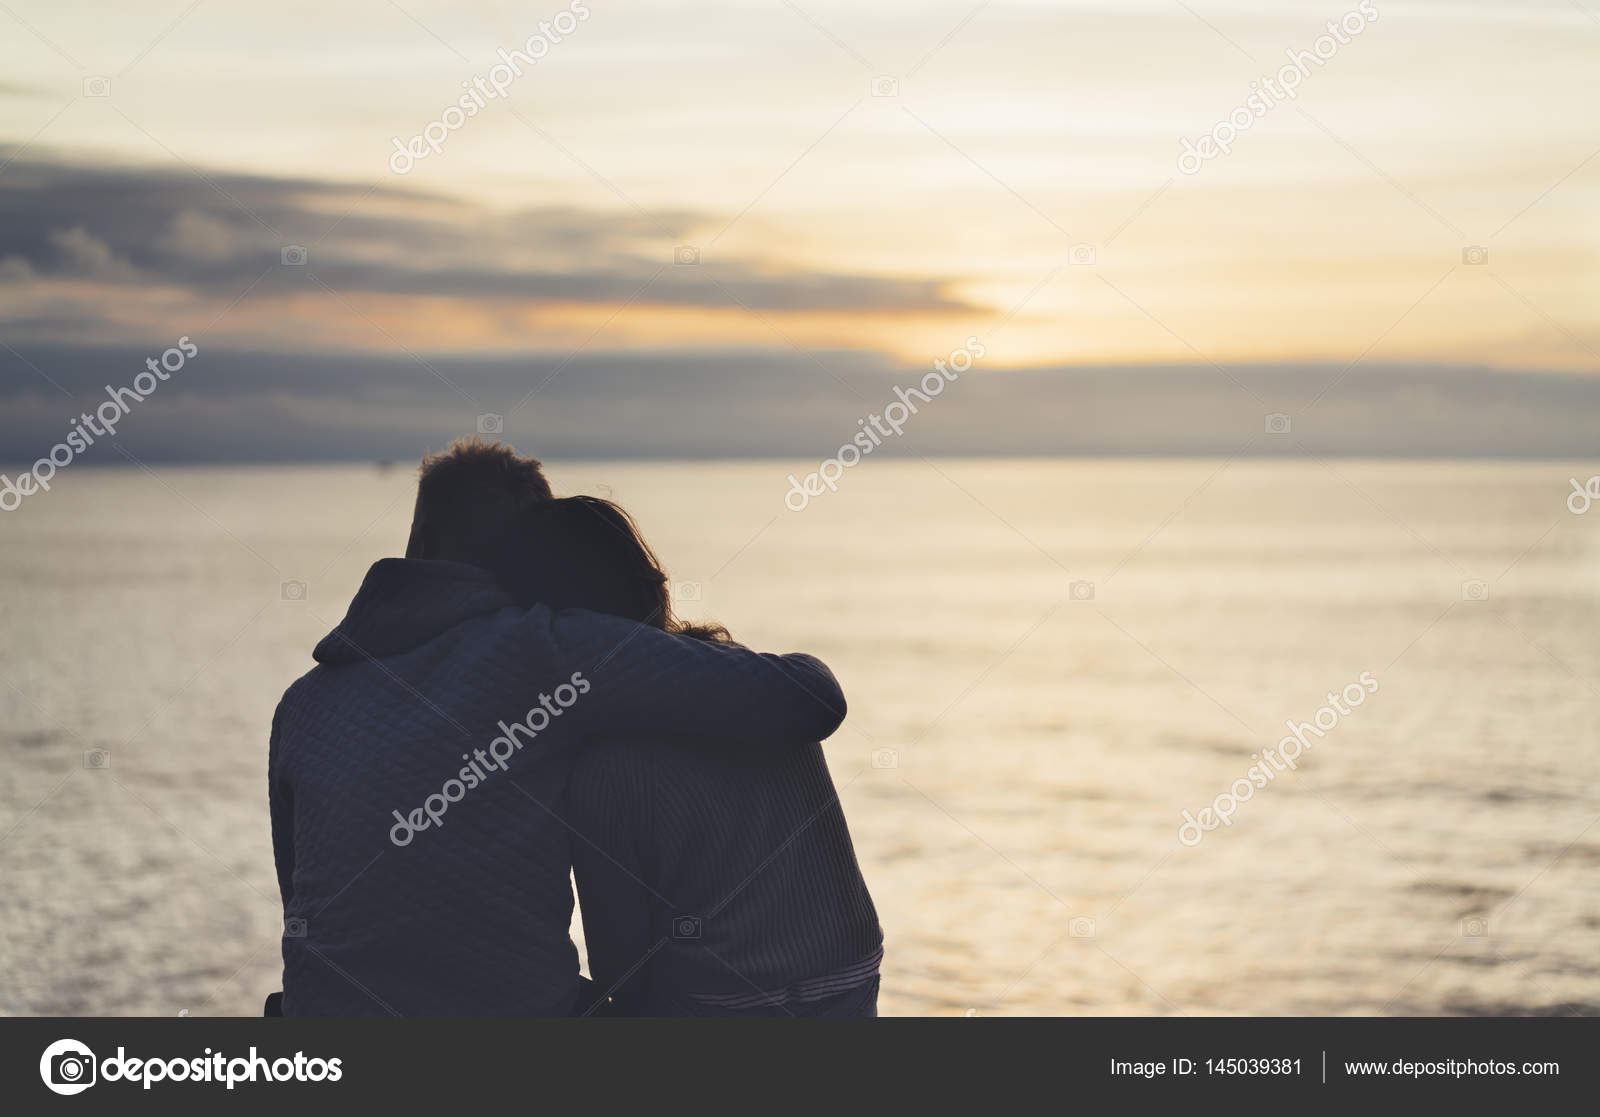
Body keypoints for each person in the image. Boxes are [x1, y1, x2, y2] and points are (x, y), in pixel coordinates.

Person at [267, 439, 848, 1015]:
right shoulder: (543, 648)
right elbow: (810, 699)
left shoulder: (303, 704)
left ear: (419, 539)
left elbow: (303, 902)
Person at [490, 495, 882, 1016]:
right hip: (850, 973)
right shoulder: (757, 683)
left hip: (723, 1001)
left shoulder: (603, 768)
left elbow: (622, 966)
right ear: (649, 583)